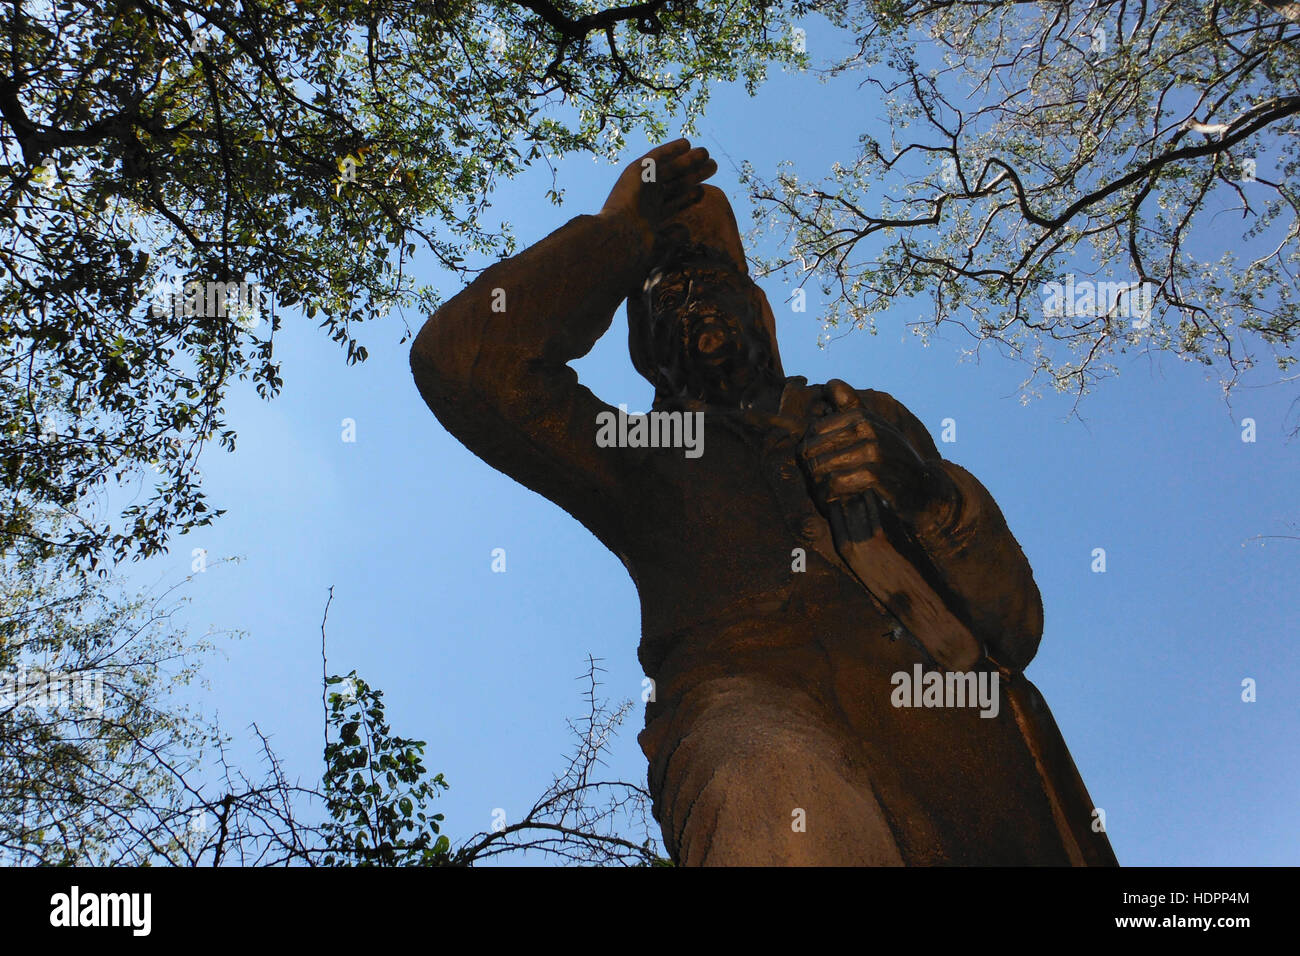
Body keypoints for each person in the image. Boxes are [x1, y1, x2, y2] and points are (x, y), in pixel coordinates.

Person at [411, 139, 1116, 865]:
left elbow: (1016, 627)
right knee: (766, 786)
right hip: (753, 732)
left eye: (709, 284)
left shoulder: (863, 415)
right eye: (667, 299)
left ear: (757, 312)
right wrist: (621, 230)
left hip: (974, 771)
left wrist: (927, 495)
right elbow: (465, 367)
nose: (693, 304)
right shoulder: (645, 454)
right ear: (650, 351)